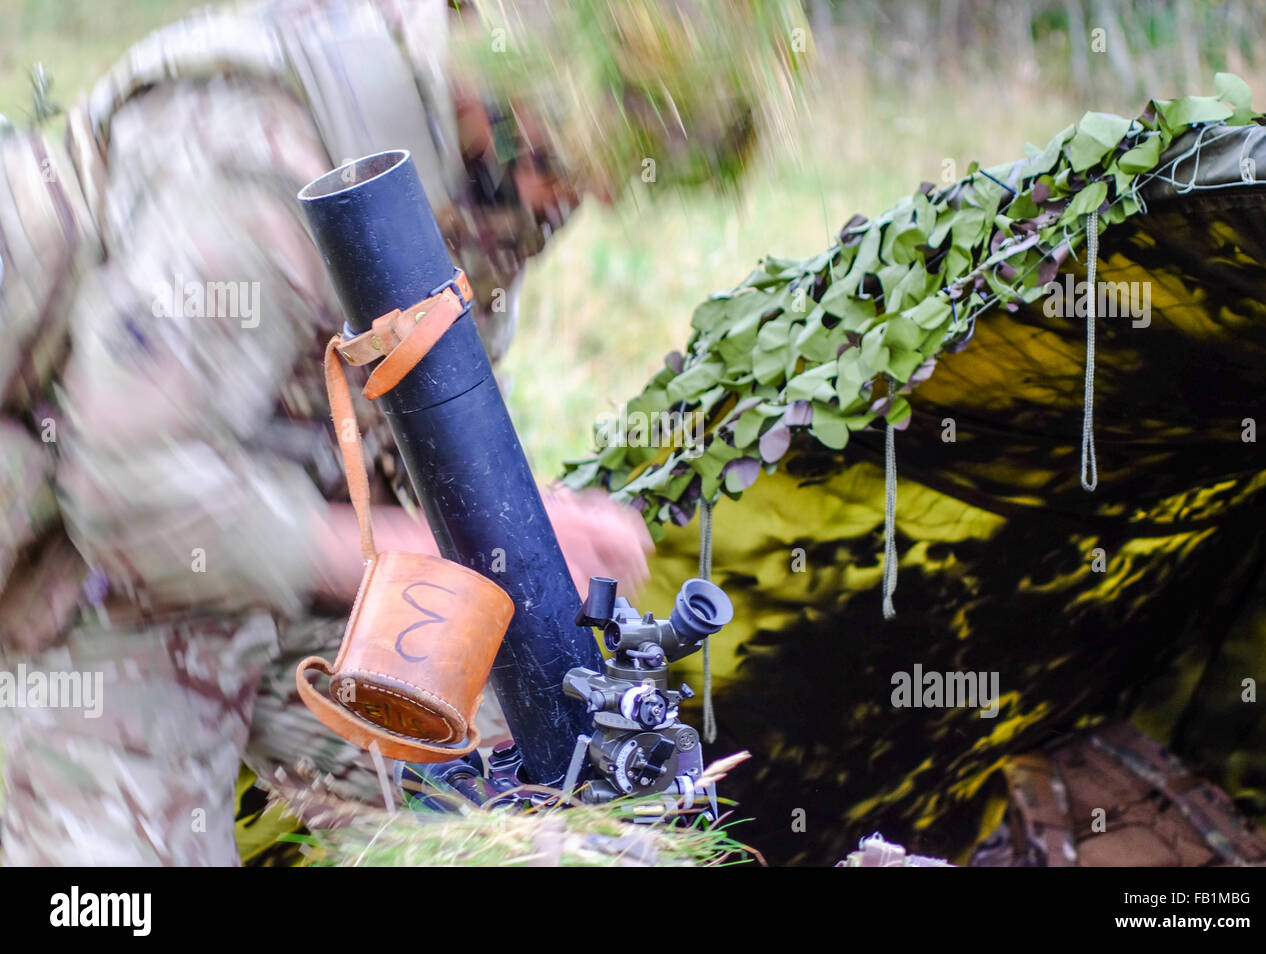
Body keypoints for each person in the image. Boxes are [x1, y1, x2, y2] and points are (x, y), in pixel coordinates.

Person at [0, 0, 804, 864]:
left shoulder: (491, 147)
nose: (576, 199)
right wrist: (435, 554)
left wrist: (523, 540)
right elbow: (129, 490)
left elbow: (399, 416)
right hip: (82, 552)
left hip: (264, 534)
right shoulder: (264, 145)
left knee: (532, 787)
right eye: (569, 167)